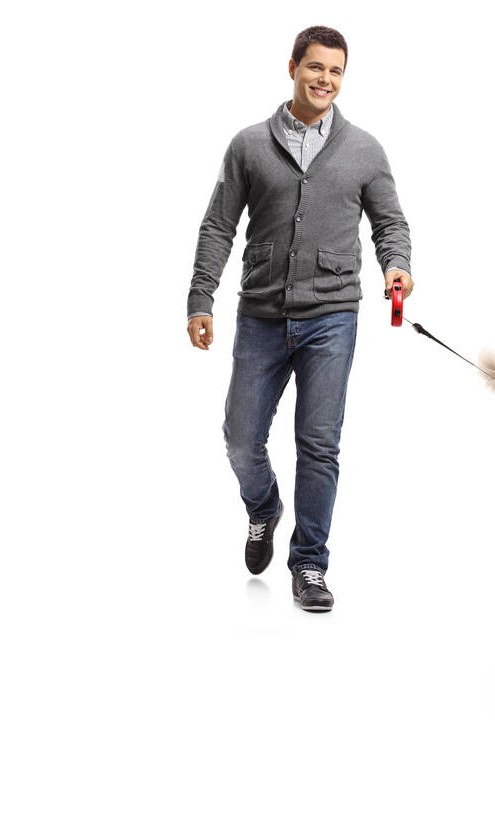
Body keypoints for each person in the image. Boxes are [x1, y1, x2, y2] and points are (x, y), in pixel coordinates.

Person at [186, 25, 413, 612]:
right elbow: (218, 226)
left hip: (332, 318)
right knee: (240, 438)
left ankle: (309, 563)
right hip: (260, 314)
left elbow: (390, 223)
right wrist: (200, 298)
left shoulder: (365, 150)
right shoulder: (248, 145)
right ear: (292, 67)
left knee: (319, 445)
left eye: (336, 72)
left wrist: (397, 266)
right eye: (316, 68)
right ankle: (263, 507)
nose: (325, 81)